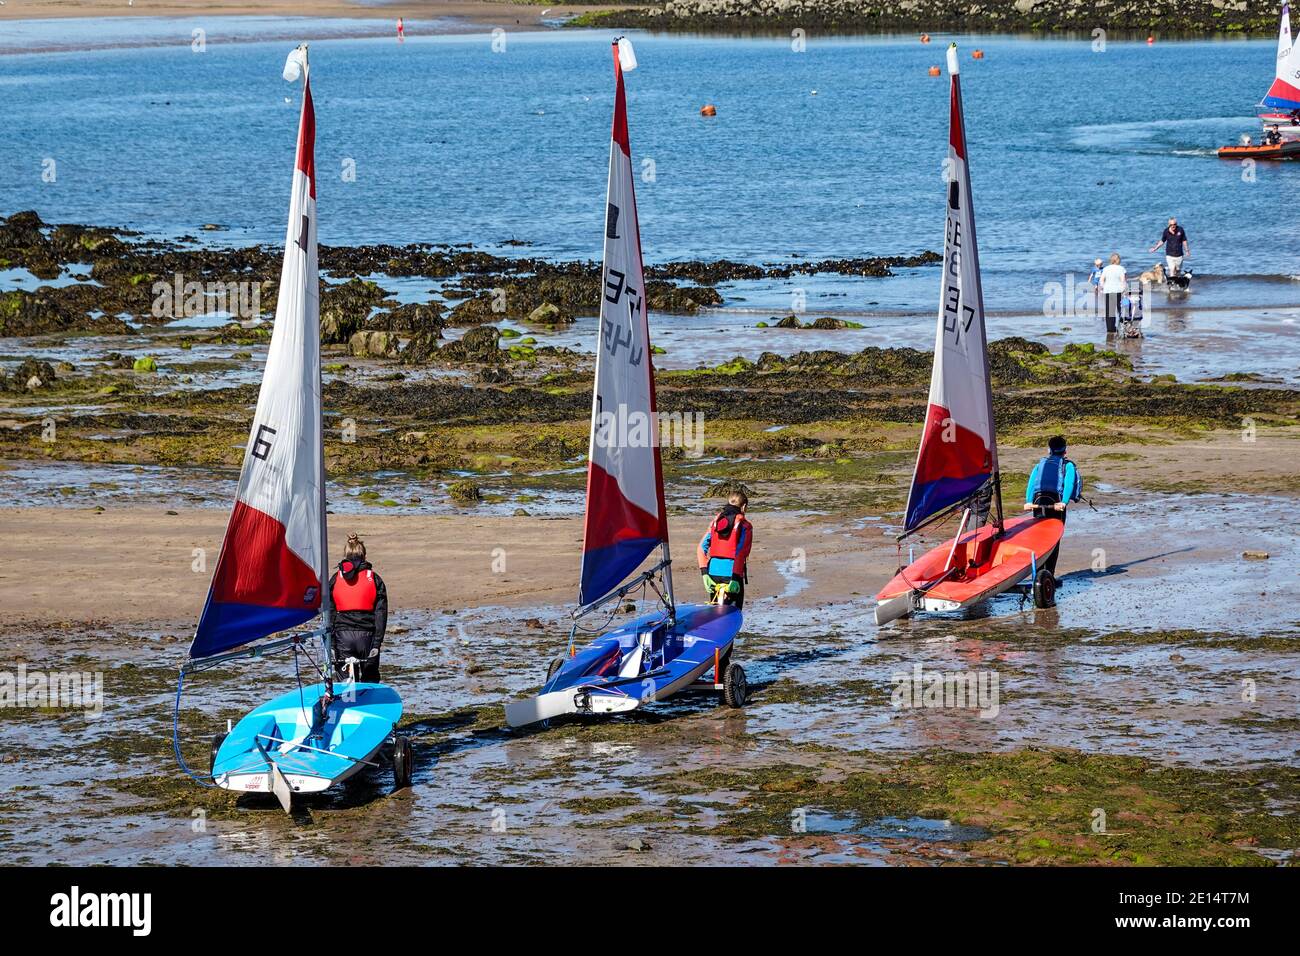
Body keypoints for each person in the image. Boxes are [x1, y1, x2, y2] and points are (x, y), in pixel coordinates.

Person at [329, 533, 389, 682]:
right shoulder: (375, 579)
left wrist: (330, 643)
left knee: (345, 683)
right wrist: (377, 643)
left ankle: (348, 700)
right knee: (370, 680)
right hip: (367, 637)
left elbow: (329, 613)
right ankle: (369, 702)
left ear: (345, 555)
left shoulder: (335, 579)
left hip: (342, 637)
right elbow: (381, 614)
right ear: (365, 556)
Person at [1022, 436, 1082, 579]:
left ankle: (1039, 574)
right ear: (1065, 451)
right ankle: (1049, 576)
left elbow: (1032, 484)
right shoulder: (1068, 466)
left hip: (1038, 501)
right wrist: (1064, 502)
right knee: (1054, 540)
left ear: (1049, 450)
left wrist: (1029, 501)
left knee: (1040, 539)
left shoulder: (1040, 464)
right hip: (1056, 503)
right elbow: (1069, 484)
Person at [697, 490, 753, 609]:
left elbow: (701, 548)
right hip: (732, 575)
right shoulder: (745, 526)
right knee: (733, 614)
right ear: (744, 507)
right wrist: (736, 578)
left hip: (713, 574)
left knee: (715, 613)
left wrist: (704, 574)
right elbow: (741, 553)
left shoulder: (715, 523)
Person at [1098, 252, 1126, 335]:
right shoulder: (1121, 268)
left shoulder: (1106, 268)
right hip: (1119, 291)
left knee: (1110, 311)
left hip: (1108, 291)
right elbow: (1123, 281)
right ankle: (1122, 327)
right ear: (1118, 260)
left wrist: (1103, 288)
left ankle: (1110, 329)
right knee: (1121, 310)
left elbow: (1101, 280)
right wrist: (1125, 290)